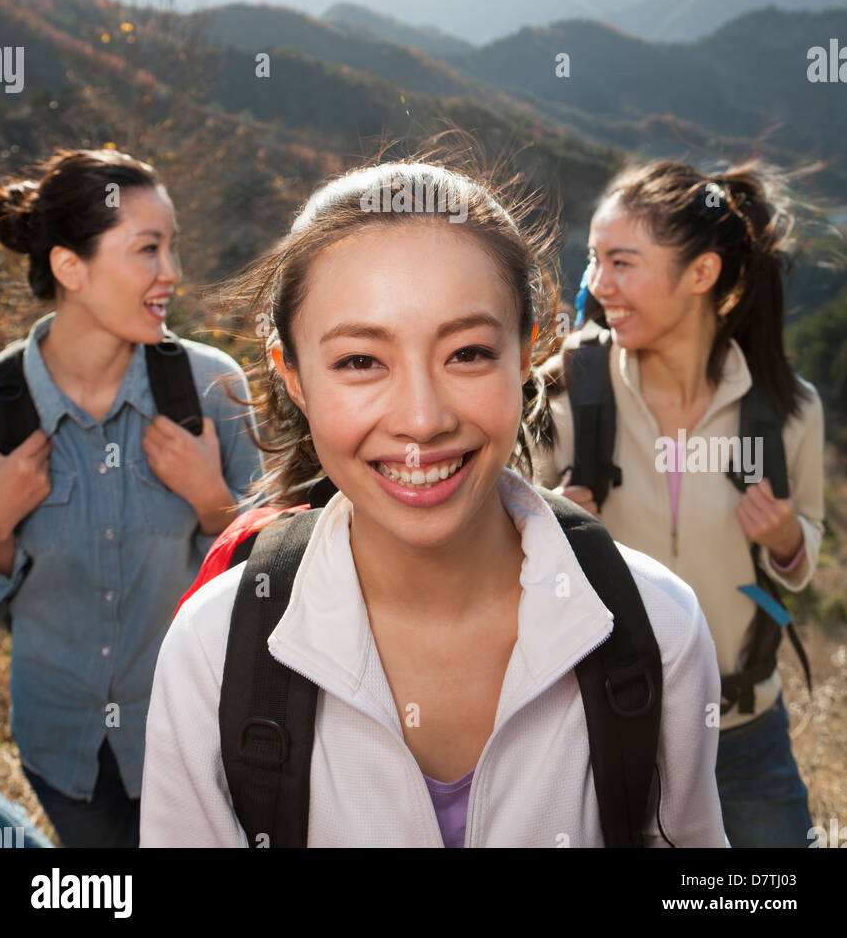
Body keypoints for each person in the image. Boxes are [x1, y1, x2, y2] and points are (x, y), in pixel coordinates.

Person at [140, 155, 728, 847]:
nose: (422, 419)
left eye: (468, 353)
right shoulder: (215, 650)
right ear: (293, 378)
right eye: (360, 361)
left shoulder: (654, 625)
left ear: (524, 356)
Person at [526, 160, 825, 849]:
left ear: (702, 273)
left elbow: (800, 560)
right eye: (596, 261)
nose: (598, 284)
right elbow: (493, 555)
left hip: (747, 735)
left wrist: (785, 540)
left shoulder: (787, 411)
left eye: (621, 262)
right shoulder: (565, 394)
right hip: (605, 728)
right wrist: (549, 527)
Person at [0, 148, 264, 847]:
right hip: (59, 745)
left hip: (197, 740)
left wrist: (214, 506)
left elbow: (269, 583)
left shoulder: (210, 388)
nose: (172, 272)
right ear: (69, 267)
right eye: (148, 249)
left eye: (172, 247)